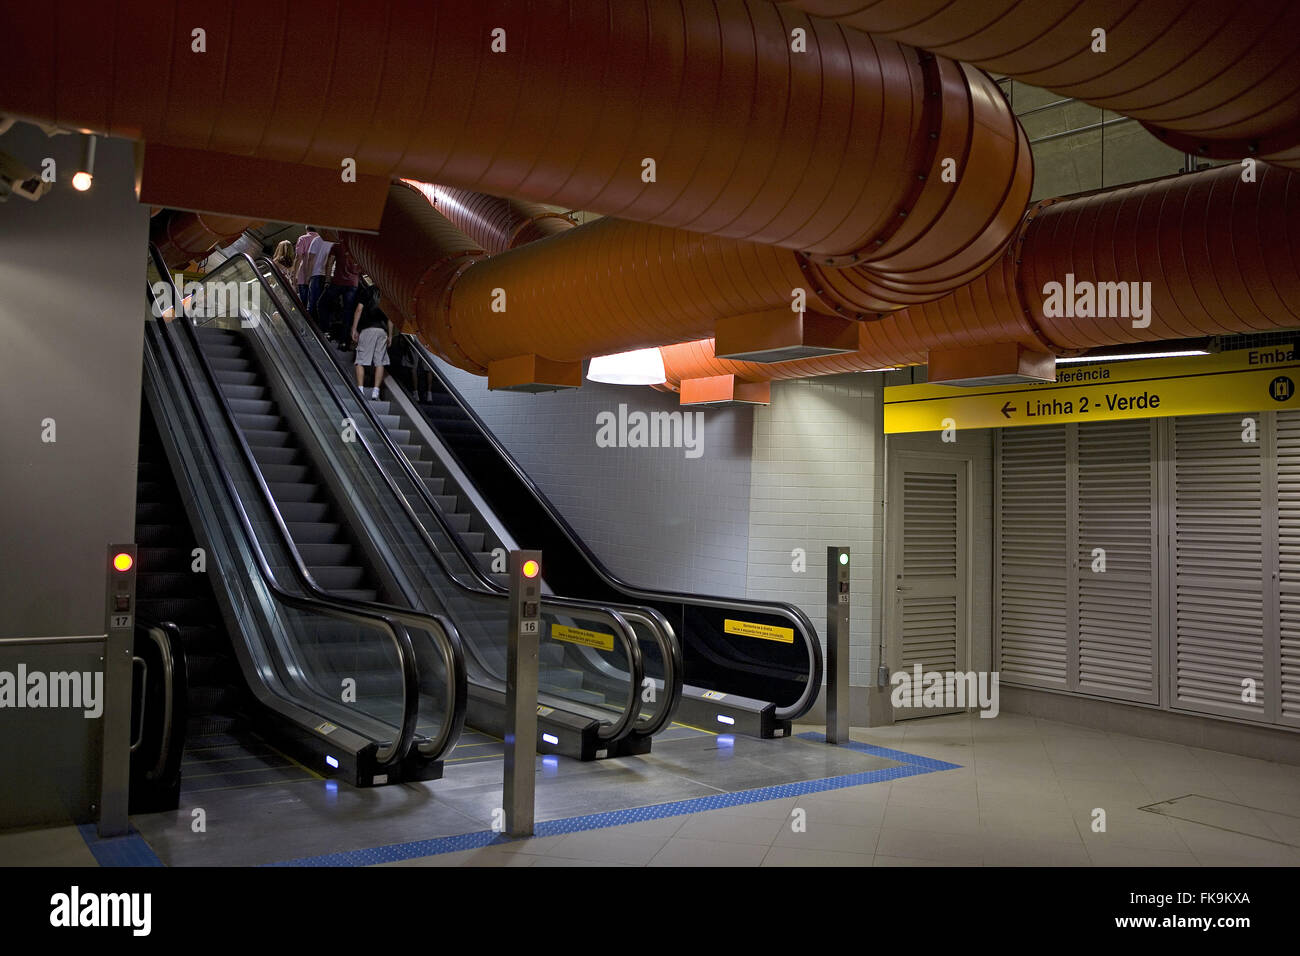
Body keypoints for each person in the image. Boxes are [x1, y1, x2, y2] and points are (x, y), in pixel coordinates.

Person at [351, 285, 393, 400]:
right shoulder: (388, 293)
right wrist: (390, 335)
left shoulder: (368, 290)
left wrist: (354, 328)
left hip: (367, 329)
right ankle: (376, 391)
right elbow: (390, 317)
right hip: (382, 331)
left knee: (360, 360)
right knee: (380, 362)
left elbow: (359, 309)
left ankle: (360, 389)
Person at [317, 241, 361, 343]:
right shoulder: (358, 248)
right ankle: (344, 340)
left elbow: (329, 263)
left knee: (322, 303)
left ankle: (325, 331)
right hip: (353, 283)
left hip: (338, 281)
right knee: (348, 311)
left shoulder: (337, 245)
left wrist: (327, 280)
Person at [305, 232, 335, 322]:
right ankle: (323, 329)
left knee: (312, 305)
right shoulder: (334, 242)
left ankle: (311, 327)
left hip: (316, 275)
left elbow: (310, 259)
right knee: (325, 305)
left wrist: (308, 277)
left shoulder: (316, 240)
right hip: (329, 276)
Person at [292, 226, 319, 307]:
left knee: (304, 305)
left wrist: (294, 275)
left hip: (303, 276)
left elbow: (298, 257)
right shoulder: (322, 240)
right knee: (315, 304)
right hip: (318, 276)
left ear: (306, 228)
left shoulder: (303, 239)